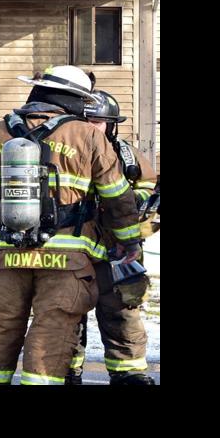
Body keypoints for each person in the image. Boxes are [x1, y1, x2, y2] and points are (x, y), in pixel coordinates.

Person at [0, 66, 146, 385]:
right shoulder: (88, 134)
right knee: (52, 329)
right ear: (75, 99)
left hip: (9, 255)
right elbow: (117, 195)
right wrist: (130, 240)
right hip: (65, 259)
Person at [69, 89, 160, 385]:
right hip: (76, 248)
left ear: (111, 124)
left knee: (123, 312)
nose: (92, 127)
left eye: (98, 121)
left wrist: (132, 203)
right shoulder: (68, 152)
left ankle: (128, 372)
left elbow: (148, 186)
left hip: (118, 251)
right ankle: (67, 370)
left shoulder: (126, 153)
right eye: (87, 120)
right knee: (68, 312)